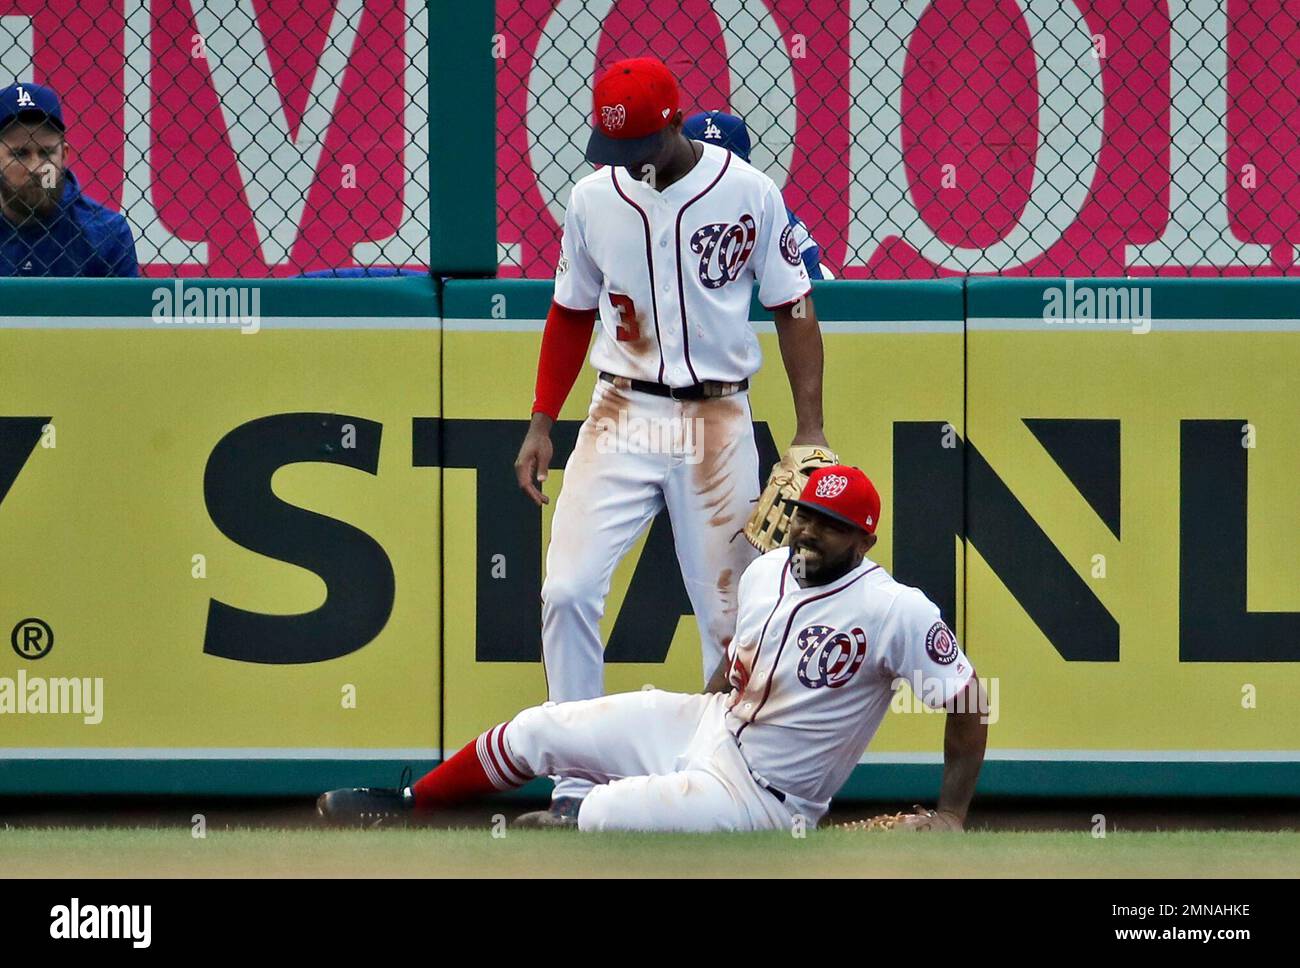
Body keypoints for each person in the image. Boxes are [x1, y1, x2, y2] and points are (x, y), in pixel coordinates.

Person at [507, 57, 833, 826]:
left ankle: (723, 785)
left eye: (638, 145)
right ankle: (577, 787)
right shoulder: (593, 198)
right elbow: (569, 312)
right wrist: (542, 419)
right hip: (620, 411)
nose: (626, 164)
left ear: (674, 123)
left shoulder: (748, 192)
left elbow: (793, 305)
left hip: (716, 420)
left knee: (730, 616)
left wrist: (810, 425)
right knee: (567, 589)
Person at [318, 465, 989, 833]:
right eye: (808, 514)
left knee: (592, 813)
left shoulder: (895, 609)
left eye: (834, 526)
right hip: (712, 727)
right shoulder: (767, 570)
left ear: (865, 540)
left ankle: (589, 823)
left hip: (767, 800)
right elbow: (737, 667)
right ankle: (412, 807)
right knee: (541, 727)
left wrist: (952, 815)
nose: (812, 530)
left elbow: (968, 700)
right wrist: (683, 730)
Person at [0, 82, 139, 276]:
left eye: (46, 153)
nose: (36, 169)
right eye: (20, 154)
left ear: (64, 155)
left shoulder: (107, 234)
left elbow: (124, 306)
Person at [682, 110, 832, 279]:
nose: (716, 178)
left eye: (726, 168)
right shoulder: (659, 216)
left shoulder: (777, 218)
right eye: (705, 168)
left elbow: (813, 292)